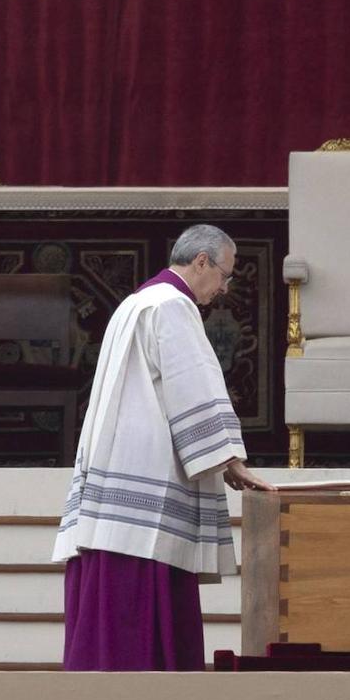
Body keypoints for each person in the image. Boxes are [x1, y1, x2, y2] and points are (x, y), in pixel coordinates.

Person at [53, 224, 274, 671]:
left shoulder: (135, 302)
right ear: (201, 262)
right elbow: (191, 384)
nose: (225, 288)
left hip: (115, 462)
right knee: (142, 586)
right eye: (225, 275)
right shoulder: (173, 306)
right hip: (148, 468)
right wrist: (228, 459)